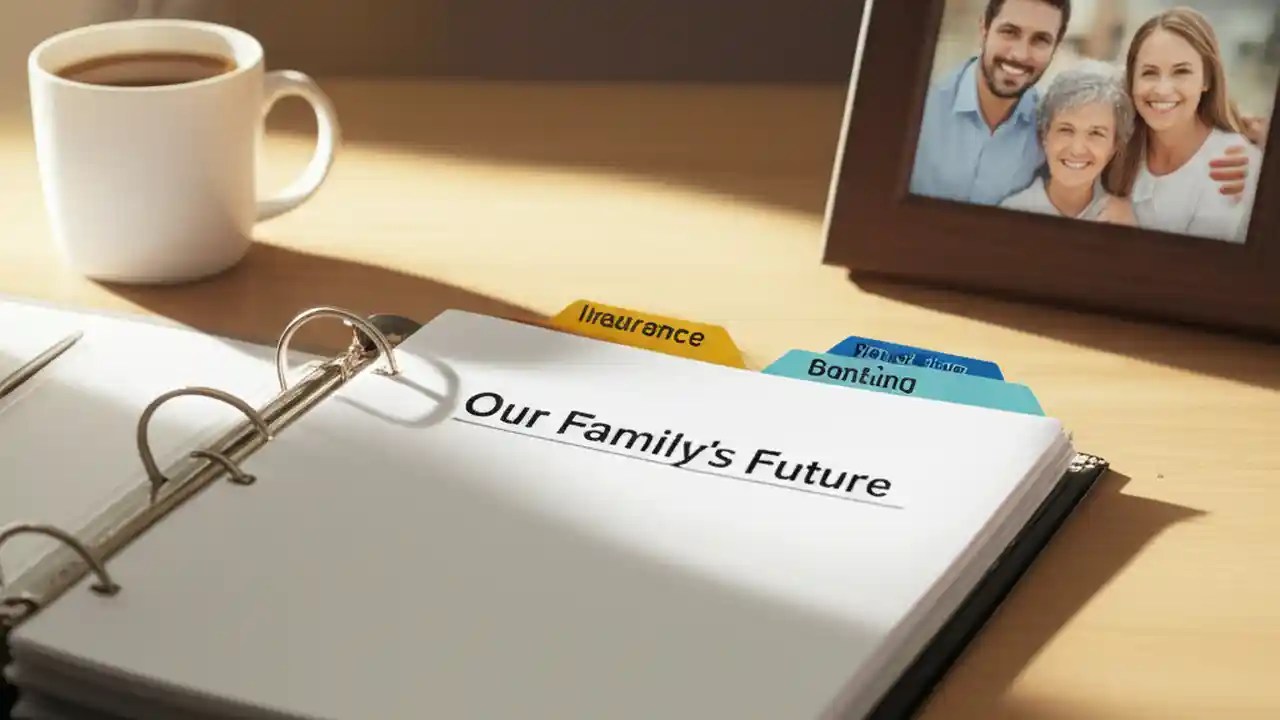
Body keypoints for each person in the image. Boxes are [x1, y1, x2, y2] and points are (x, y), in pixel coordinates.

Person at [910, 0, 1255, 207]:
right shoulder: (918, 111)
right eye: (1009, 32)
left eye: (1040, 40)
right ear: (984, 29)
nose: (1019, 54)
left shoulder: (1050, 123)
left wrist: (1251, 142)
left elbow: (1137, 107)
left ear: (1057, 45)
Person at [1106, 8, 1264, 243]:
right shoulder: (1117, 140)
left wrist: (1130, 229)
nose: (1162, 89)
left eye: (1181, 72)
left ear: (1207, 79)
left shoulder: (1231, 162)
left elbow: (1201, 272)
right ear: (1131, 80)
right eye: (1149, 72)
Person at [999, 60, 1136, 223]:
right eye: (1066, 130)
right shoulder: (1010, 214)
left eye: (1096, 133)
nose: (1077, 149)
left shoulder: (1124, 219)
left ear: (1114, 146)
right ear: (1044, 136)